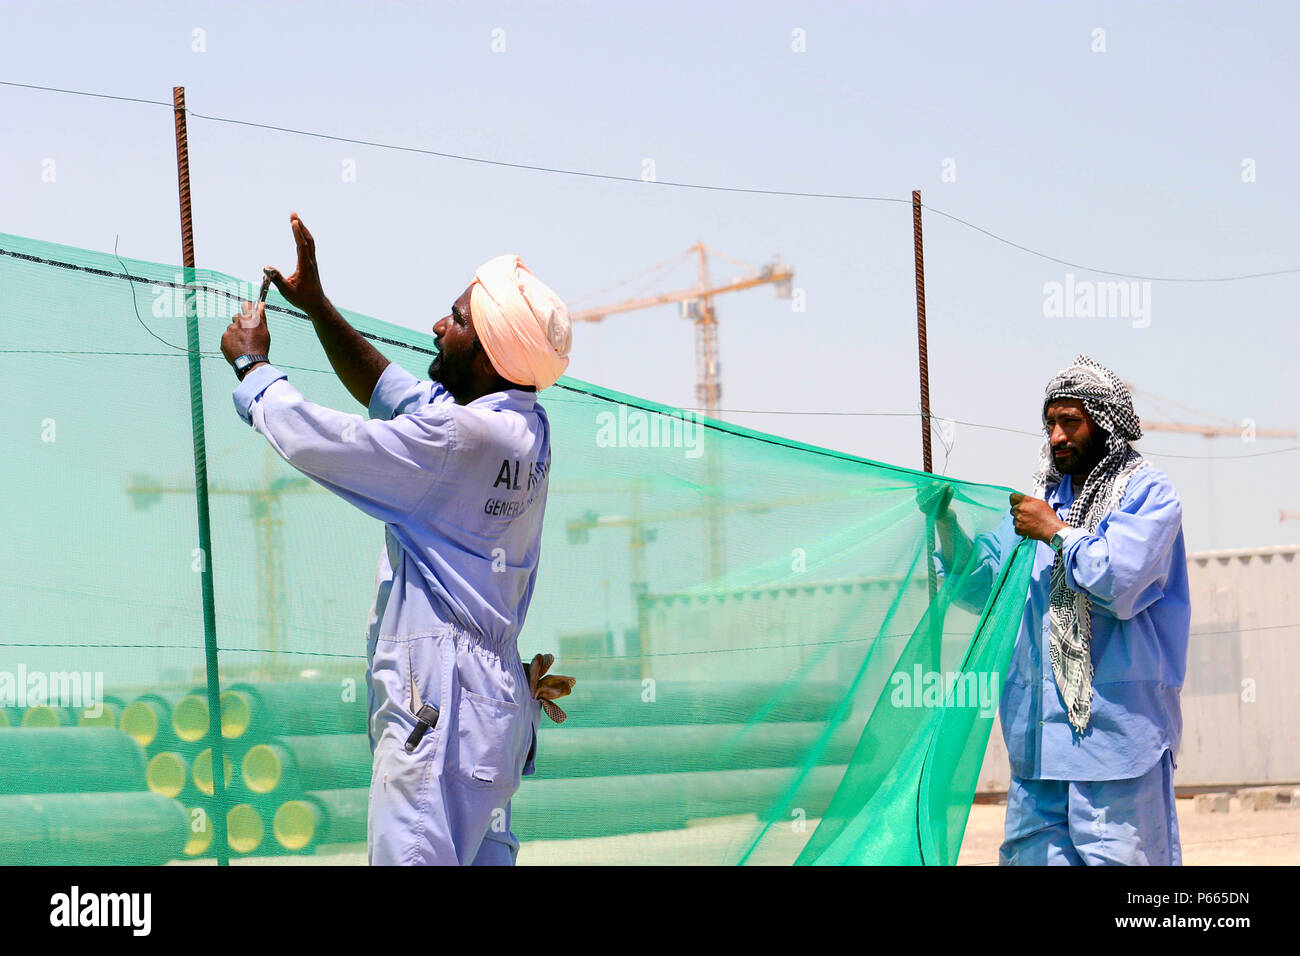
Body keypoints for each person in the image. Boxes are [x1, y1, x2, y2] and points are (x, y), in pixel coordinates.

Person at [220, 212, 576, 865]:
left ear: (494, 351)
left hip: (441, 704)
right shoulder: (525, 427)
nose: (438, 327)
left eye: (458, 319)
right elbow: (393, 394)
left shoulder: (457, 442)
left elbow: (329, 444)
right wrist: (320, 308)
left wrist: (255, 369)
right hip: (493, 704)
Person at [926, 355, 1190, 865]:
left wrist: (1057, 532)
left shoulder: (1147, 493)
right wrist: (944, 525)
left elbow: (1119, 581)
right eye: (1050, 423)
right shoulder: (1043, 501)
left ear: (1105, 425)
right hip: (1039, 748)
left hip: (1116, 747)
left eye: (1071, 421)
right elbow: (983, 584)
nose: (1057, 436)